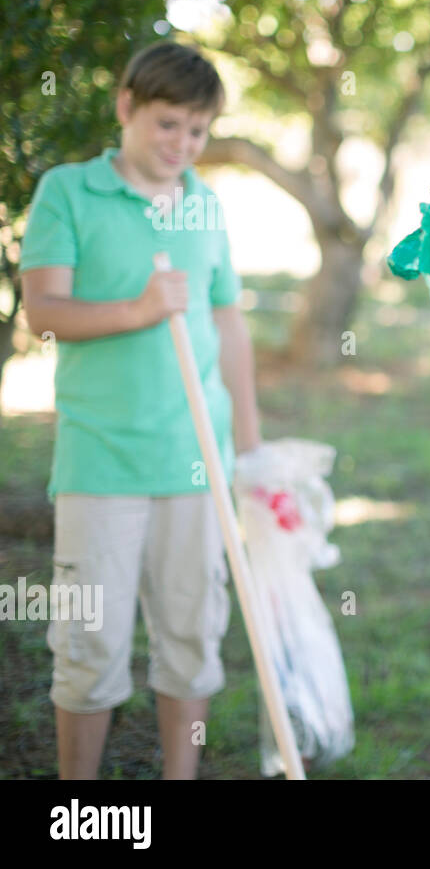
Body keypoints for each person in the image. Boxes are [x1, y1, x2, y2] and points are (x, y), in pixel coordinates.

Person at [19, 40, 262, 778]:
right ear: (126, 106)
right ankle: (78, 804)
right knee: (88, 643)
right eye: (166, 124)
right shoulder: (68, 191)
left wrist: (248, 447)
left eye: (196, 130)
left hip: (197, 458)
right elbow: (43, 312)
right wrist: (138, 308)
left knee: (191, 637)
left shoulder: (205, 202)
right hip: (103, 459)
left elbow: (228, 322)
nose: (181, 145)